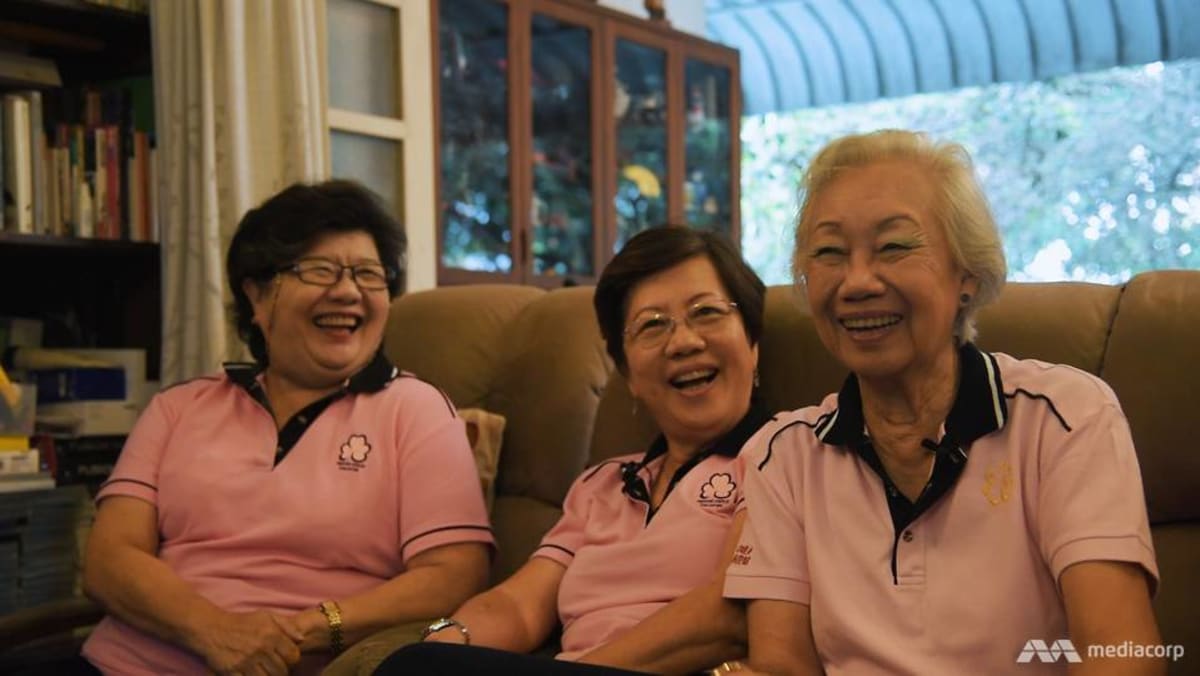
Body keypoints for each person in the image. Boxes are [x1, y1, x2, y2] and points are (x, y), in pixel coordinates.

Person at [723, 130, 1163, 674]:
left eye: (895, 247)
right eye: (829, 253)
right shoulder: (782, 456)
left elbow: (1118, 656)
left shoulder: (1066, 417)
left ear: (967, 276)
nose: (856, 282)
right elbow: (782, 666)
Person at [80, 180, 494, 676]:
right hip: (118, 664)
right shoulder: (179, 406)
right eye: (319, 270)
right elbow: (108, 559)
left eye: (368, 274)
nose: (347, 291)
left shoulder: (416, 410)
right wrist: (214, 630)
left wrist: (308, 629)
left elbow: (454, 575)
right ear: (256, 295)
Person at [375, 226, 770, 675]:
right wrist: (448, 639)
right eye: (652, 325)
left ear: (752, 343)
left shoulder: (779, 455)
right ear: (630, 377)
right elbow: (518, 606)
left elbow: (729, 612)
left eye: (706, 312)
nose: (683, 342)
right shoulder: (602, 485)